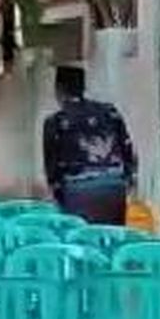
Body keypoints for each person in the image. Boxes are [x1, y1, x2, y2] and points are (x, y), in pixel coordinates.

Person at [43, 65, 137, 225]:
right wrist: (129, 181)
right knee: (111, 235)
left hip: (78, 188)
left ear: (59, 90)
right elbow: (127, 149)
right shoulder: (110, 111)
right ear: (83, 88)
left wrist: (59, 196)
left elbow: (52, 168)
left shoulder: (55, 122)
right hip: (114, 185)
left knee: (81, 238)